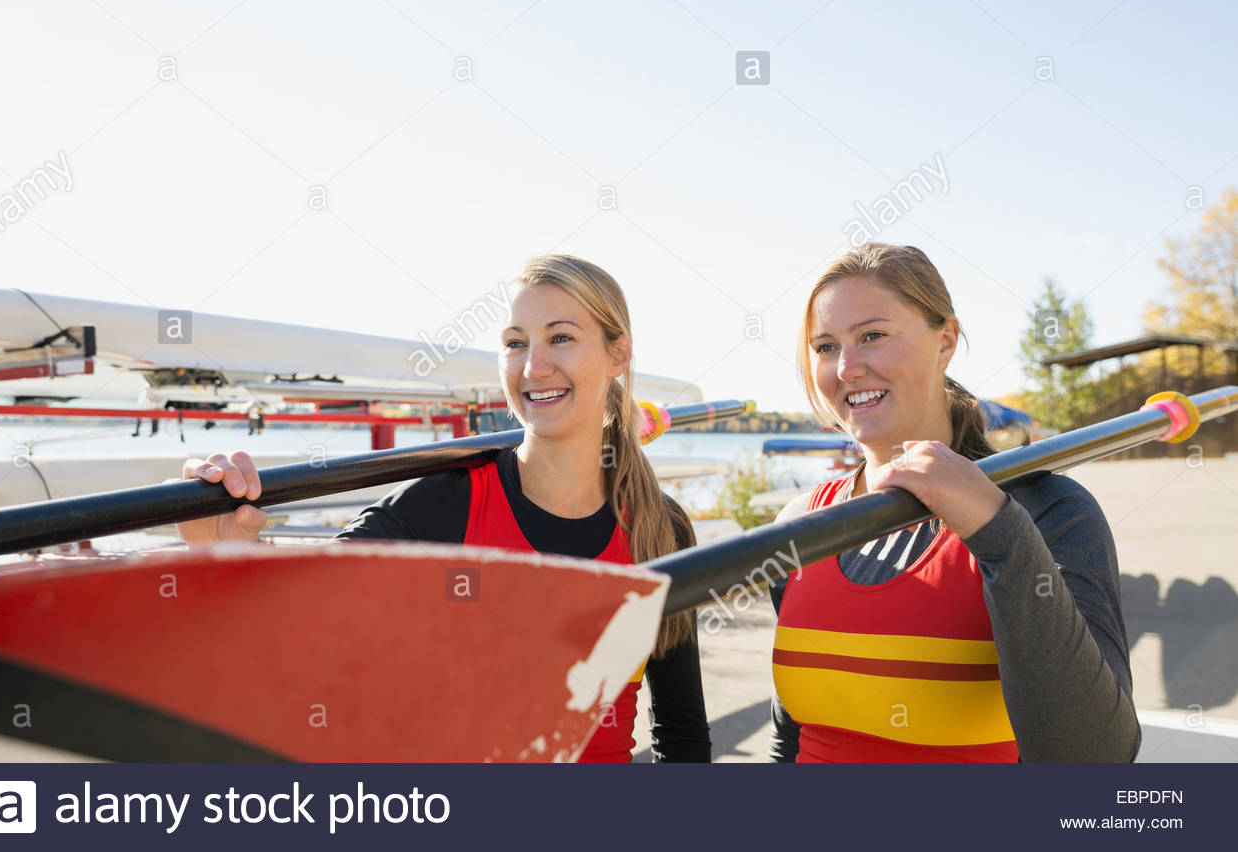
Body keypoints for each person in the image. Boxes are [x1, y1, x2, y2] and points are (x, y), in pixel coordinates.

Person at [177, 254, 711, 763]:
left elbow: (681, 730)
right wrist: (227, 550)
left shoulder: (657, 526)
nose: (534, 366)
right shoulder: (445, 504)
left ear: (619, 354)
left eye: (561, 338)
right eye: (514, 343)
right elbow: (297, 611)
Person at [768, 243, 1140, 763]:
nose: (847, 368)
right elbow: (790, 739)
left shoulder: (1048, 510)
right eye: (826, 346)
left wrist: (997, 533)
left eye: (872, 336)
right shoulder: (799, 525)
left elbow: (1096, 758)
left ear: (945, 341)